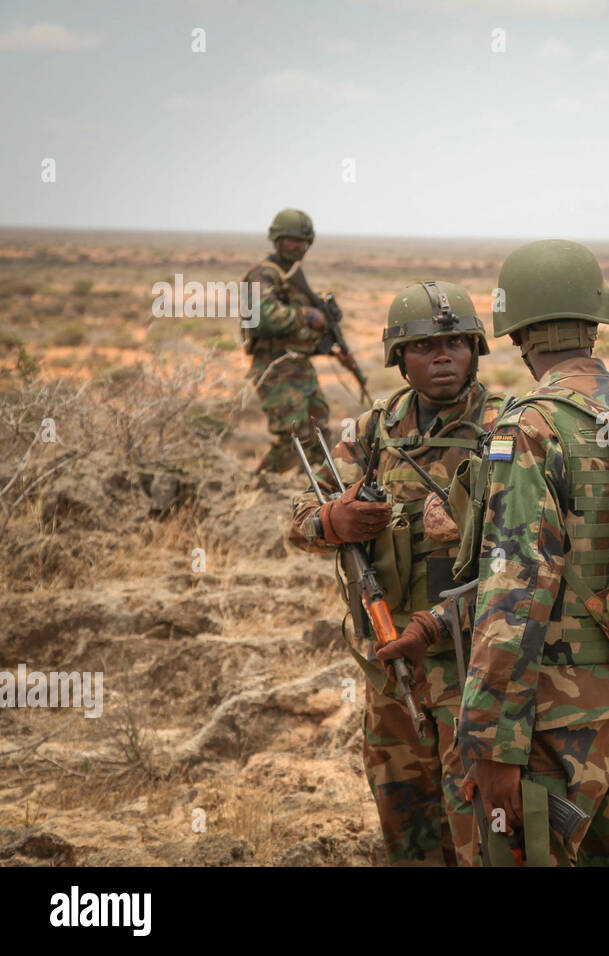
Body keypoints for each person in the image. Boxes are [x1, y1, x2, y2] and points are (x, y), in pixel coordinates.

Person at [384, 239, 609, 866]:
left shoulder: (529, 426)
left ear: (517, 332)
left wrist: (490, 742)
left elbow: (514, 589)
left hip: (549, 719)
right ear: (594, 318)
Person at [289, 280, 506, 865]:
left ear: (476, 350)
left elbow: (535, 541)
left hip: (472, 659)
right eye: (426, 347)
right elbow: (299, 521)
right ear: (399, 359)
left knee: (481, 817)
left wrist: (467, 522)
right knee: (403, 814)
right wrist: (335, 520)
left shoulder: (508, 429)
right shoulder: (369, 432)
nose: (443, 357)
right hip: (390, 660)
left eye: (457, 343)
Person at [242, 208, 337, 473]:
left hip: (298, 366)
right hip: (275, 367)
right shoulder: (264, 274)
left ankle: (315, 492)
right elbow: (264, 317)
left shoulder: (290, 276)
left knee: (317, 434)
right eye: (294, 240)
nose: (300, 247)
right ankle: (259, 488)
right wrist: (309, 314)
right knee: (292, 437)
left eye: (305, 242)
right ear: (278, 238)